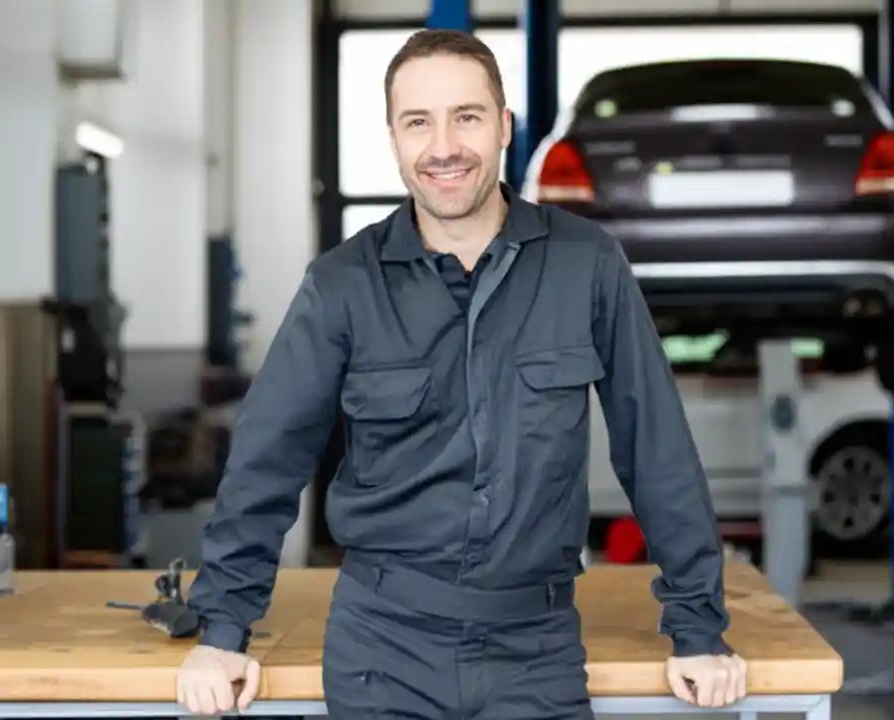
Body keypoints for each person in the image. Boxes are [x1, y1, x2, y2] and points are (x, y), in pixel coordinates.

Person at [176, 28, 746, 718]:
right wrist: (224, 628)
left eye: (466, 117)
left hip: (536, 648)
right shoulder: (341, 285)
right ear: (393, 138)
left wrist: (699, 627)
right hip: (381, 651)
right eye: (419, 122)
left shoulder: (586, 264)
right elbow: (267, 462)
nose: (443, 146)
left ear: (504, 126)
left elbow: (654, 447)